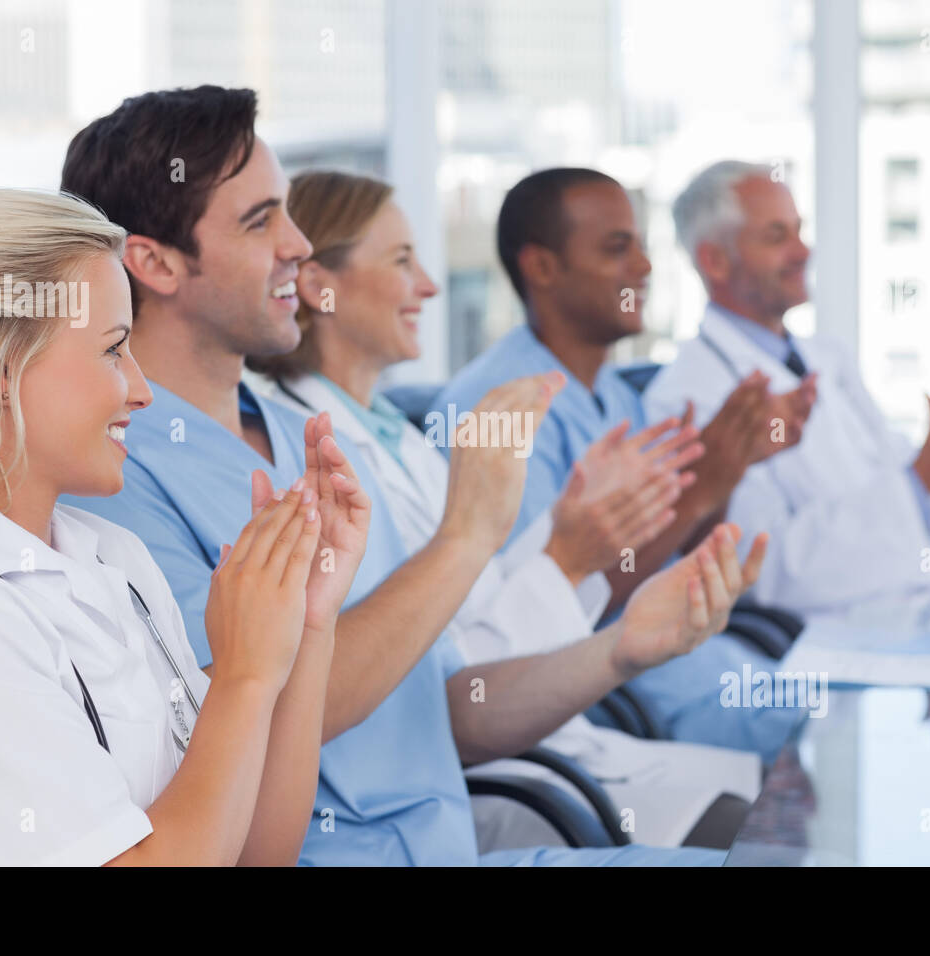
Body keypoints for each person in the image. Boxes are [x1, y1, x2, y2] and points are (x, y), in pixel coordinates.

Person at [60, 85, 767, 865]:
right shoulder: (117, 477)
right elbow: (246, 710)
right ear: (154, 261)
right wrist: (465, 538)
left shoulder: (312, 438)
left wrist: (623, 649)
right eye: (260, 221)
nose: (298, 246)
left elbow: (449, 712)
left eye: (289, 213)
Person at [0, 188, 352, 865]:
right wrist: (244, 677)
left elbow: (257, 852)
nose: (142, 388)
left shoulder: (113, 556)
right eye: (113, 350)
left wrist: (306, 621)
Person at [249, 169, 765, 850]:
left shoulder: (398, 437)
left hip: (536, 739)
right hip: (480, 779)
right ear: (320, 285)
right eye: (402, 261)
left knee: (776, 811)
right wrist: (569, 552)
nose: (430, 286)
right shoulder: (309, 456)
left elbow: (476, 606)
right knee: (762, 828)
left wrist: (570, 537)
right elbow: (447, 669)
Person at [432, 167, 813, 758]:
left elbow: (679, 550)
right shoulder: (496, 408)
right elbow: (544, 606)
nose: (644, 268)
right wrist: (701, 487)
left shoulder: (615, 394)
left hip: (697, 656)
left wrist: (730, 467)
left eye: (640, 245)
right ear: (542, 267)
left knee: (849, 713)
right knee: (835, 740)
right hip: (619, 694)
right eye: (617, 248)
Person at [648, 160, 930, 619]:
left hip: (920, 624)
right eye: (776, 236)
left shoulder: (829, 359)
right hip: (827, 651)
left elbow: (927, 530)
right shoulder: (686, 395)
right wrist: (922, 476)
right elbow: (761, 572)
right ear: (714, 260)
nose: (803, 251)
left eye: (799, 231)